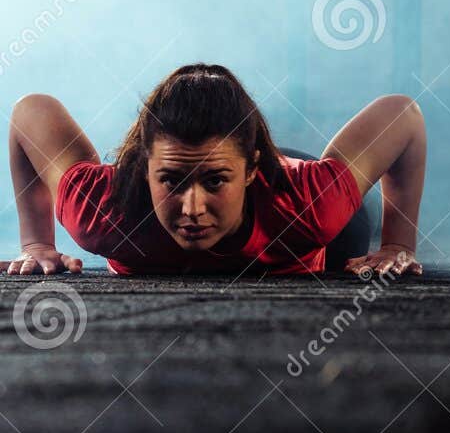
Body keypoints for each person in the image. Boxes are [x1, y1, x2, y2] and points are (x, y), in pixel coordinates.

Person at [5, 63, 425, 277]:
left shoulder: (309, 203)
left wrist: (397, 245)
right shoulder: (103, 210)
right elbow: (29, 111)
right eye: (171, 181)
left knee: (349, 223)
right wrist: (36, 244)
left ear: (250, 170)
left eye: (214, 182)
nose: (192, 209)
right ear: (145, 169)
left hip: (297, 225)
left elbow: (401, 115)